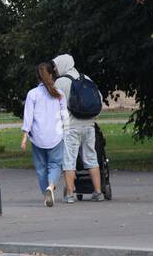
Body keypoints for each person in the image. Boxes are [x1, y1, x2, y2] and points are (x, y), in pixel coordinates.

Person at [52, 53, 103, 202]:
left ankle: (69, 193)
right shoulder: (86, 78)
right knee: (92, 157)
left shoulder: (61, 82)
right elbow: (98, 98)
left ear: (62, 65)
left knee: (69, 160)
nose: (55, 70)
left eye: (56, 66)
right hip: (89, 125)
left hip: (71, 126)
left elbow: (54, 103)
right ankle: (98, 192)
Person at [21, 62, 66, 207]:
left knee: (41, 168)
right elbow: (64, 115)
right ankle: (51, 186)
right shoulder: (59, 93)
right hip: (56, 135)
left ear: (38, 77)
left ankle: (45, 193)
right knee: (55, 164)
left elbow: (28, 117)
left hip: (38, 137)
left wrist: (24, 137)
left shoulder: (32, 94)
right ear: (51, 75)